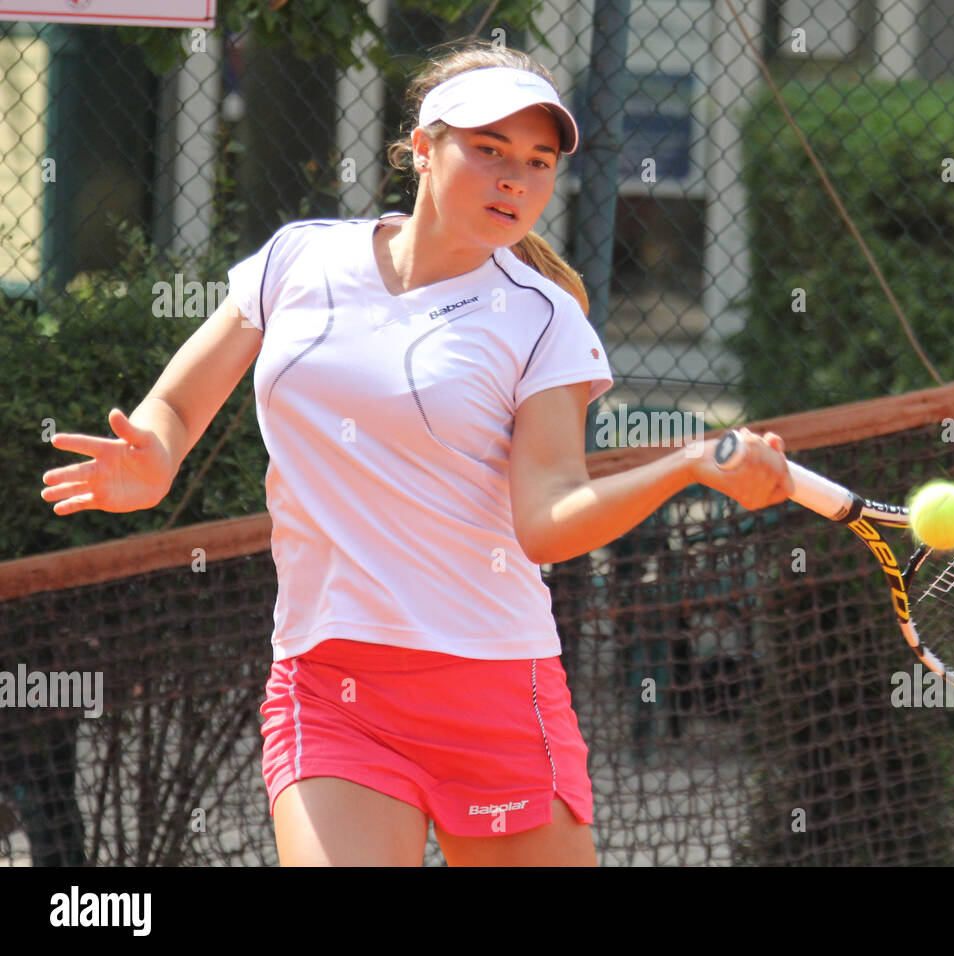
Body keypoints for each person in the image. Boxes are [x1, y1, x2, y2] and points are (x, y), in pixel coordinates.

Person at [39, 40, 792, 867]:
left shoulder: (542, 321)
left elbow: (546, 522)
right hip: (330, 686)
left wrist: (683, 465)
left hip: (492, 690)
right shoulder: (300, 260)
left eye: (539, 163)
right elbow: (180, 403)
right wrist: (155, 455)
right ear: (423, 149)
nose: (516, 179)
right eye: (490, 150)